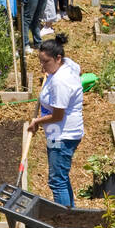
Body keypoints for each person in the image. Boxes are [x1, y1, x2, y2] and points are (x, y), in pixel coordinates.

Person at [28, 34, 83, 208]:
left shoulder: (60, 81)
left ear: (58, 58)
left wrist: (37, 121)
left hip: (61, 135)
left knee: (57, 181)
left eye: (46, 62)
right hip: (59, 131)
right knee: (61, 177)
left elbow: (58, 115)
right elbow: (78, 67)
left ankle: (64, 221)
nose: (42, 67)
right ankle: (71, 213)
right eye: (40, 61)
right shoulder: (67, 65)